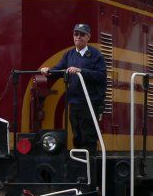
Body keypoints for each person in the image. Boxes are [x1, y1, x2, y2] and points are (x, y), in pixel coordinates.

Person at [39, 23, 107, 152]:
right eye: (76, 34)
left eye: (82, 34)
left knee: (89, 136)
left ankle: (90, 165)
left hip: (90, 103)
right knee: (77, 135)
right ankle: (79, 165)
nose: (78, 37)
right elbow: (59, 69)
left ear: (88, 37)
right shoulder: (69, 55)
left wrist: (81, 71)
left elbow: (101, 76)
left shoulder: (96, 55)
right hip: (75, 102)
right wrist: (48, 71)